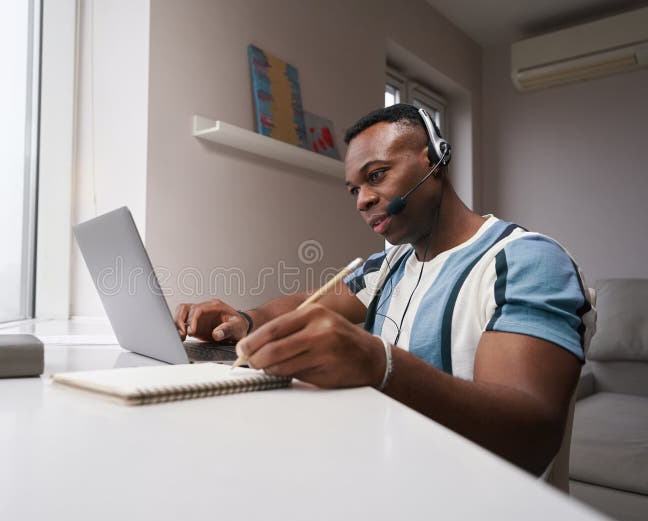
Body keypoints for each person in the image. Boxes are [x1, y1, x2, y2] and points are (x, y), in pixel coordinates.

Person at [174, 104, 595, 476]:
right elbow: (309, 303)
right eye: (355, 189)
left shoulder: (528, 261)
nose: (361, 200)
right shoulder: (389, 264)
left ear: (434, 160)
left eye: (376, 176)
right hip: (383, 471)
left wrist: (381, 364)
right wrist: (244, 320)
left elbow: (531, 439)